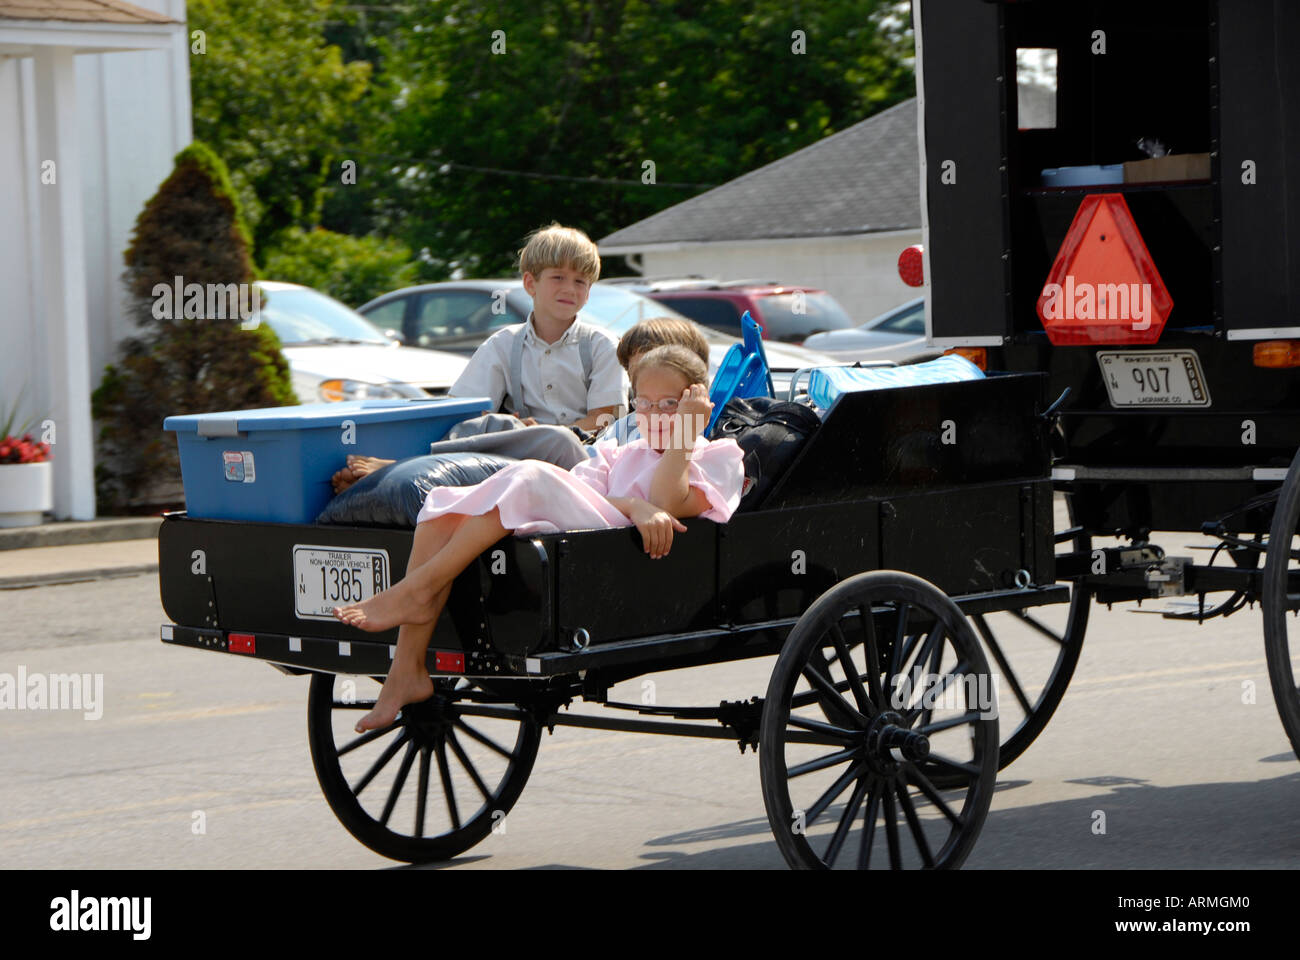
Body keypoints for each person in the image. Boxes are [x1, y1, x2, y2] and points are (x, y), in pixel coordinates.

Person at [332, 345, 744, 733]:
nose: (655, 415)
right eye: (645, 403)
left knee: (531, 474)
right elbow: (584, 491)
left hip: (615, 554)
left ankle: (417, 590)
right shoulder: (619, 452)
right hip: (585, 532)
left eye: (670, 405)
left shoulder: (719, 457)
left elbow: (665, 500)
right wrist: (634, 507)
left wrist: (686, 433)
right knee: (442, 505)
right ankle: (406, 669)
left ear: (695, 406)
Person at [329, 222, 625, 493]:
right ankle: (407, 472)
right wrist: (508, 426)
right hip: (516, 452)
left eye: (580, 281)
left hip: (579, 454)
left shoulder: (600, 345)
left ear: (588, 292)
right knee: (472, 428)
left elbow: (605, 419)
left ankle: (398, 467)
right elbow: (464, 412)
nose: (569, 289)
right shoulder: (504, 344)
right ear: (530, 283)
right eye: (558, 277)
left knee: (556, 440)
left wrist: (547, 432)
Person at [330, 316, 712, 491]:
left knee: (555, 442)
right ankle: (412, 466)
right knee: (504, 426)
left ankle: (403, 468)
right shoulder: (636, 415)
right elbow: (604, 440)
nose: (645, 378)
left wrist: (568, 438)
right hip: (589, 470)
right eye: (636, 371)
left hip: (601, 489)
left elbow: (648, 465)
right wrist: (571, 434)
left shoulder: (687, 424)